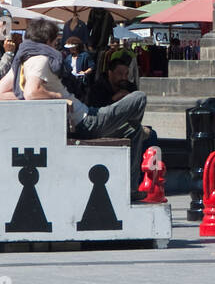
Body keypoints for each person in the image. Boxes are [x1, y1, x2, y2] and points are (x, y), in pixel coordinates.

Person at [13, 19, 151, 189]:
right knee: (139, 97)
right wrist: (60, 98)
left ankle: (130, 189)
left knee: (134, 130)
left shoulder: (22, 61)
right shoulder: (40, 59)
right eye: (56, 41)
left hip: (81, 118)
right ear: (48, 40)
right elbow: (31, 92)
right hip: (85, 122)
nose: (58, 46)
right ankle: (136, 126)